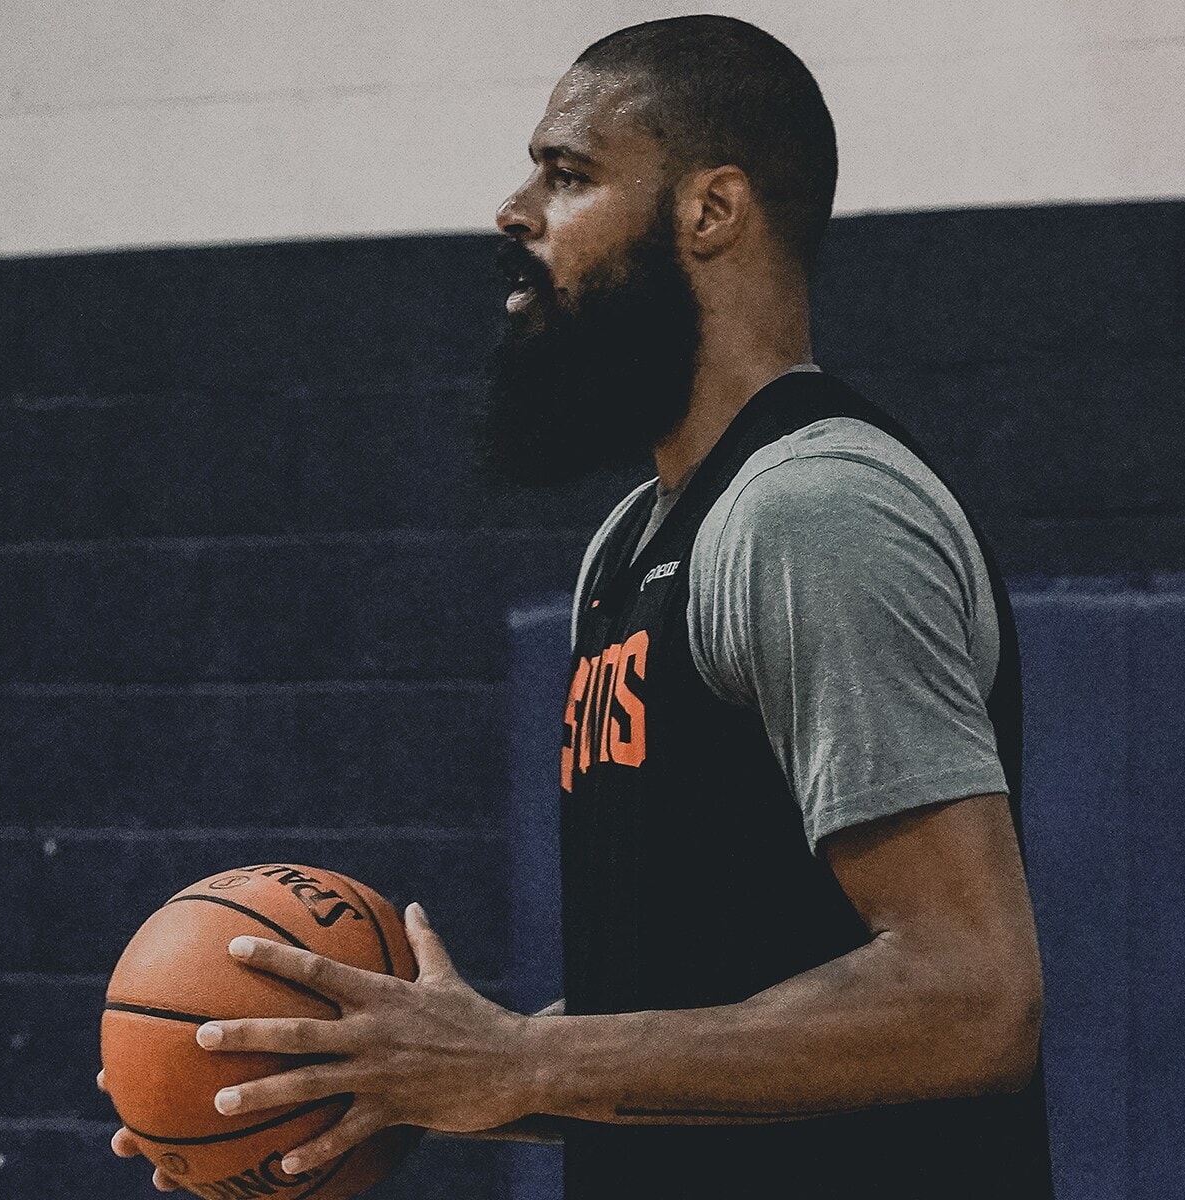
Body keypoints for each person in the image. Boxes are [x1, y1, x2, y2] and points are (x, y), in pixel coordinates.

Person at [106, 15, 1055, 1197]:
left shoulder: (813, 512)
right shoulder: (633, 542)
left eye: (568, 174)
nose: (515, 210)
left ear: (711, 211)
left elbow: (972, 1000)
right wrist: (364, 1071)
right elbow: (694, 1026)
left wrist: (522, 1058)